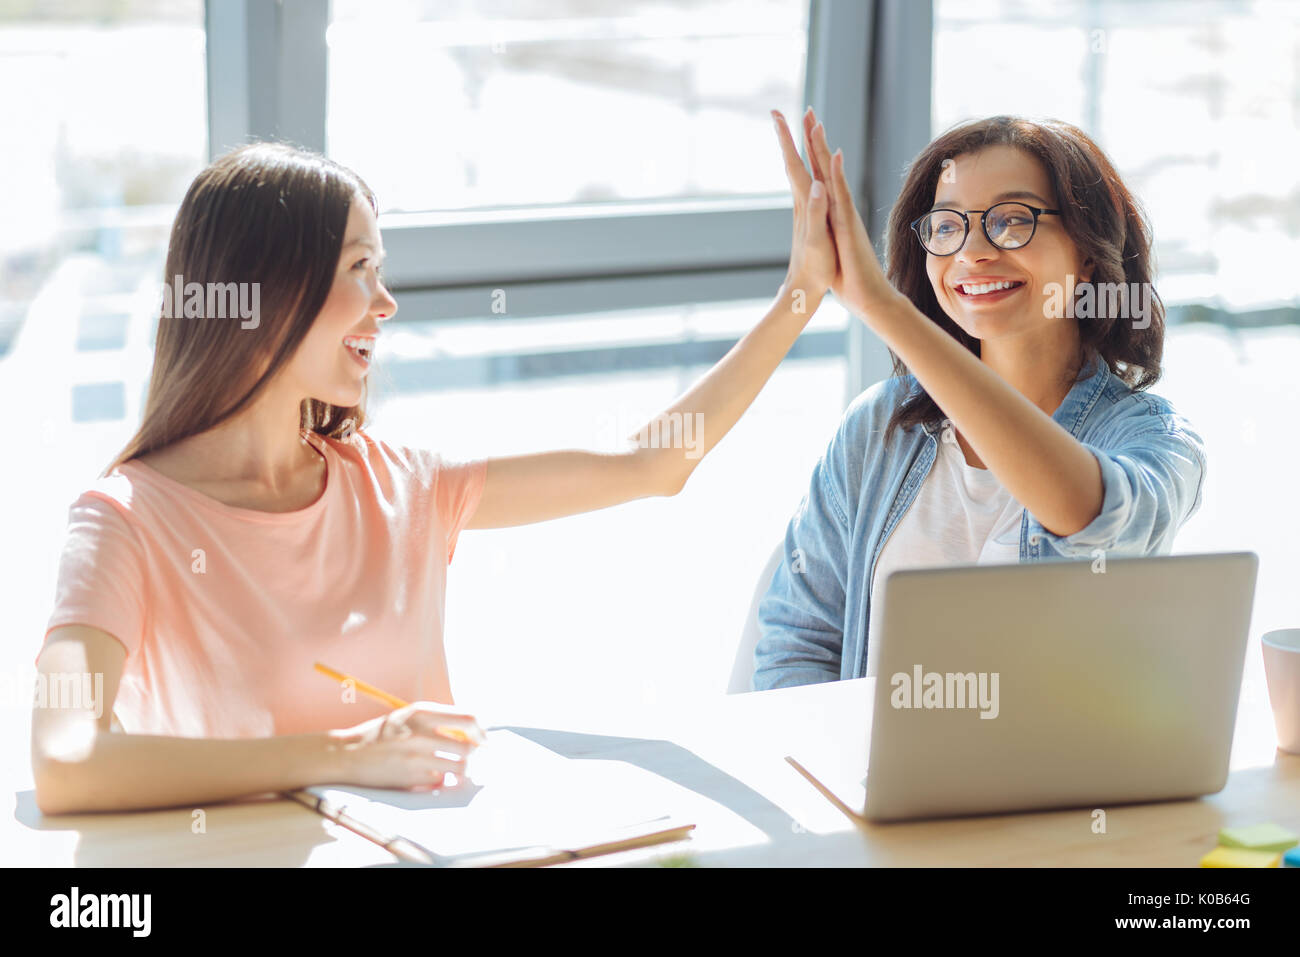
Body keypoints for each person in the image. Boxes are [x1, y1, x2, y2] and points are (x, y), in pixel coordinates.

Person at [33, 116, 836, 814]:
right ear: (270, 290)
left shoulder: (401, 485)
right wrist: (342, 754)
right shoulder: (124, 522)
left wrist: (801, 293)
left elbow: (652, 463)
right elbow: (67, 759)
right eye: (358, 269)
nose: (386, 304)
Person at [754, 109, 1207, 689]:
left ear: (1088, 252)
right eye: (946, 226)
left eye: (1013, 220)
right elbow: (798, 643)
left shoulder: (1155, 439)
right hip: (870, 778)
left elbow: (1095, 522)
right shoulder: (879, 425)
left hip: (1051, 778)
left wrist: (884, 311)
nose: (972, 252)